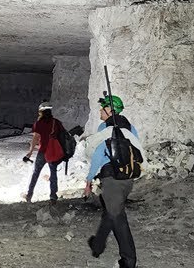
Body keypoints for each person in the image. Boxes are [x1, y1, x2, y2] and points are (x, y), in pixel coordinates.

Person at [84, 94, 144, 268]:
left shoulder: (106, 127)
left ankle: (127, 260)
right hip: (127, 178)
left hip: (111, 178)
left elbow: (97, 155)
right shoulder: (130, 128)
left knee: (116, 216)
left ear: (110, 110)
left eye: (102, 109)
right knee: (115, 213)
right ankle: (98, 245)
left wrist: (88, 179)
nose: (100, 112)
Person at [23, 102, 65, 203]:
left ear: (41, 112)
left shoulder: (39, 123)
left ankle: (29, 195)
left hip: (43, 152)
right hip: (53, 152)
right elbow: (62, 136)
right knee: (53, 173)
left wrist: (30, 152)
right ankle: (53, 196)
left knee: (36, 173)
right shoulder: (56, 122)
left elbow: (35, 138)